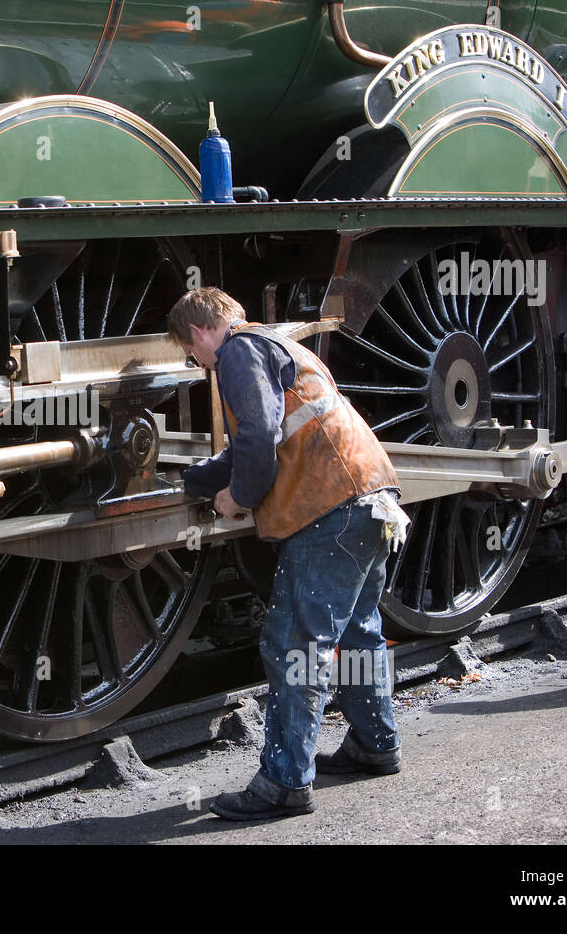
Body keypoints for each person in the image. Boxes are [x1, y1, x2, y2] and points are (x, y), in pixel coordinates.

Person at [167, 286, 408, 821]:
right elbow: (266, 439)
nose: (198, 361)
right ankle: (376, 744)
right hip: (370, 498)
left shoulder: (237, 350)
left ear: (202, 331)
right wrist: (193, 480)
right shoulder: (283, 347)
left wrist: (240, 496)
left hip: (330, 510)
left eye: (191, 353)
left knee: (295, 642)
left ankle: (283, 782)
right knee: (357, 632)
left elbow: (257, 435)